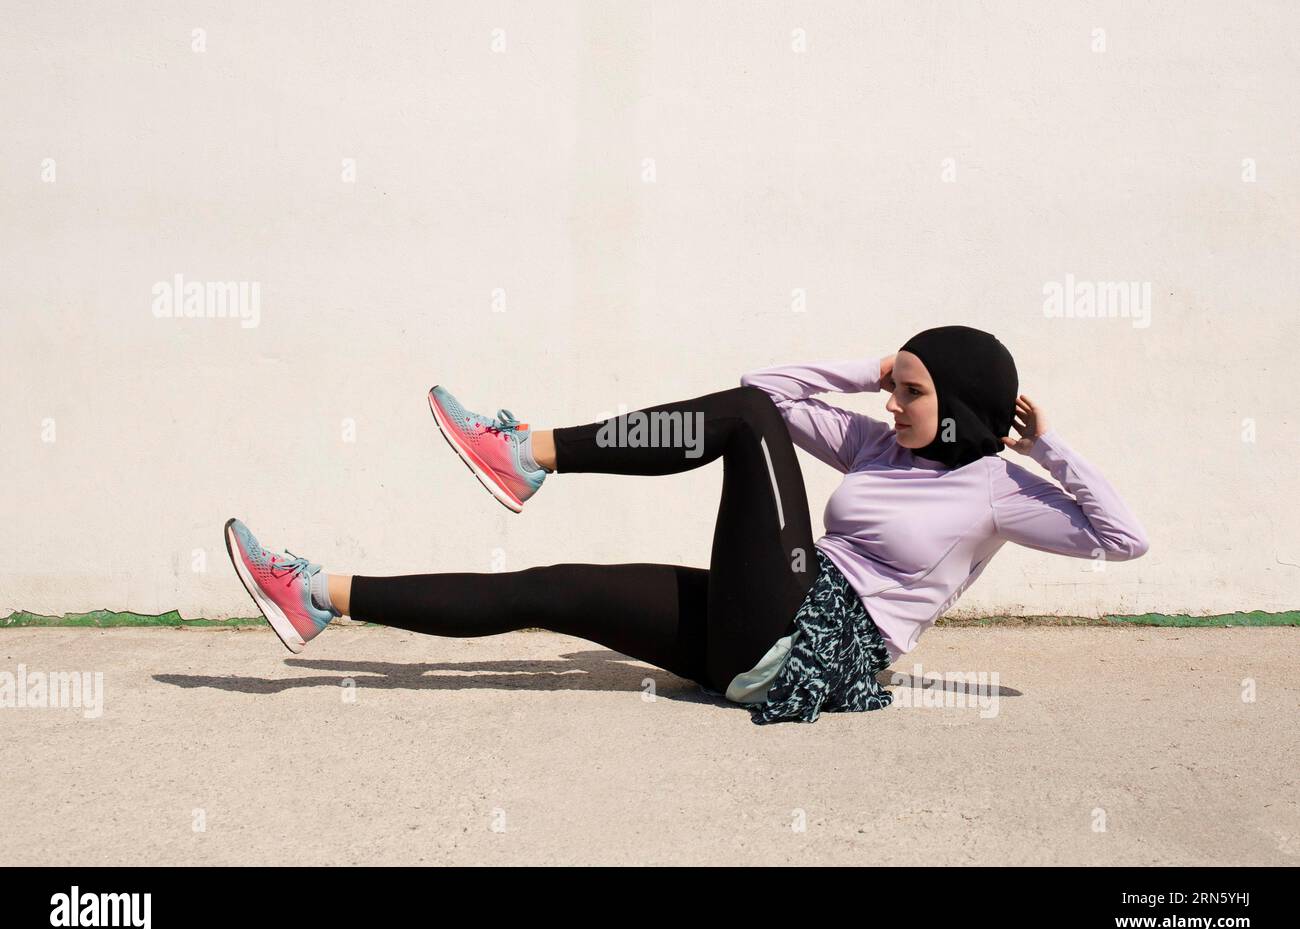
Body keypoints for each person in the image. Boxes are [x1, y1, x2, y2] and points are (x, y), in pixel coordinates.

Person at [224, 325, 1150, 724]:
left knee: (740, 427)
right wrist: (866, 366)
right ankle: (316, 597)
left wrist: (1049, 446)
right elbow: (767, 391)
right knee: (552, 589)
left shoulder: (997, 490)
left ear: (966, 405)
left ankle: (530, 453)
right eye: (896, 387)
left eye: (914, 391)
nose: (897, 402)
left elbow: (1122, 539)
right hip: (754, 624)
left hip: (814, 640)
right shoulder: (883, 448)